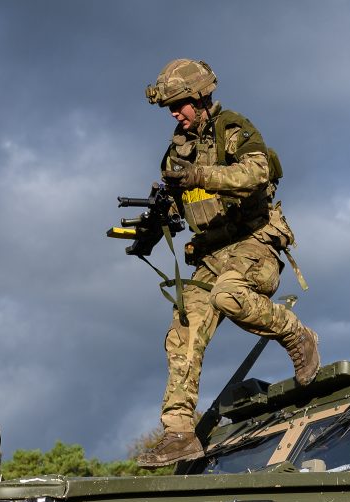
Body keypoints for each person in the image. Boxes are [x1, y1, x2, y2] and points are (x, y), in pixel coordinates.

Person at [134, 58, 319, 469]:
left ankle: (297, 335)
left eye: (180, 103)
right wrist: (153, 225)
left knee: (229, 297)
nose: (175, 113)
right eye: (170, 106)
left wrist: (200, 175)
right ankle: (180, 434)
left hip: (254, 245)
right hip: (212, 255)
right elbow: (180, 206)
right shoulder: (175, 154)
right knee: (183, 329)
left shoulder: (231, 128)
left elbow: (255, 173)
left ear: (201, 96)